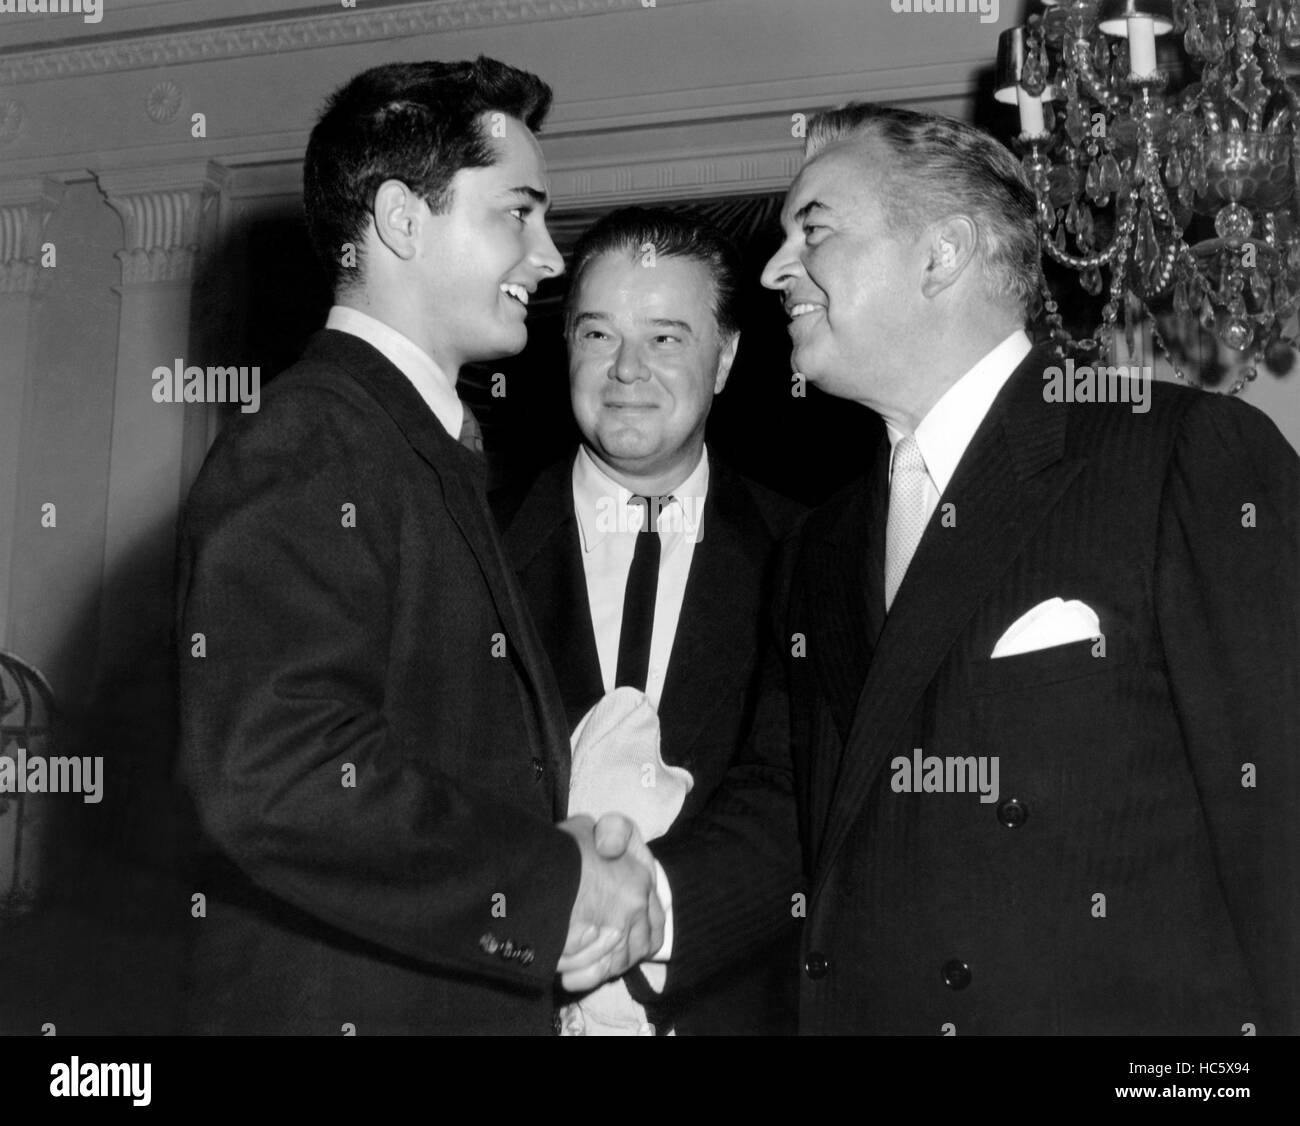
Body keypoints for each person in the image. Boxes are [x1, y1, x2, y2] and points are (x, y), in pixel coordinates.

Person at [570, 102, 1300, 1035]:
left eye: (814, 232)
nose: (775, 268)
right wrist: (649, 899)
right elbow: (794, 814)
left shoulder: (1179, 457)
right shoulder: (821, 544)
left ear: (942, 253)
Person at [174, 57, 662, 1035]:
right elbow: (276, 777)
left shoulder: (405, 440)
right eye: (516, 214)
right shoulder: (313, 438)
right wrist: (548, 883)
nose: (549, 257)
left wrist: (563, 852)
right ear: (401, 220)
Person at [495, 207, 803, 1034]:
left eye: (666, 338)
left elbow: (807, 816)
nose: (627, 369)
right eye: (597, 335)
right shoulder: (473, 544)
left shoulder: (809, 556)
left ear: (727, 357)